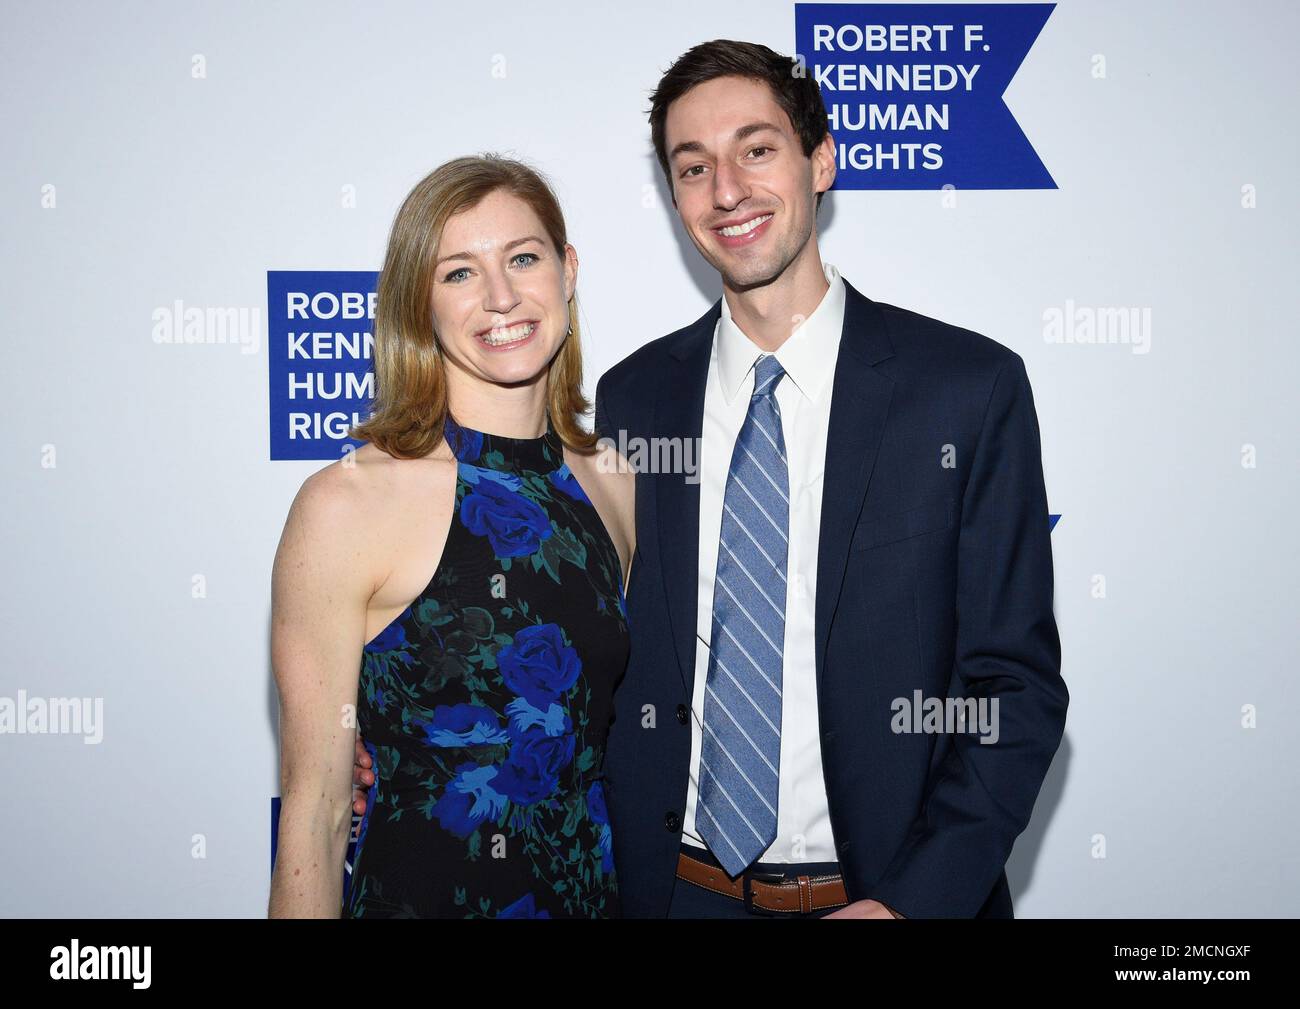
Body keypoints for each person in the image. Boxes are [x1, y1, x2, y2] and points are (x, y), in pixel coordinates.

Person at [354, 38, 1068, 919]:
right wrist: (394, 735)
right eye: (693, 167)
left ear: (822, 161)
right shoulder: (633, 401)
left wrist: (911, 906)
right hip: (672, 895)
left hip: (882, 897)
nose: (727, 190)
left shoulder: (965, 390)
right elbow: (567, 638)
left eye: (756, 150)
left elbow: (1013, 693)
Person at [269, 154, 635, 918]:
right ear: (418, 305)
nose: (502, 297)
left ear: (567, 271)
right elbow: (316, 810)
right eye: (459, 273)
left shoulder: (616, 482)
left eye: (524, 259)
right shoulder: (348, 502)